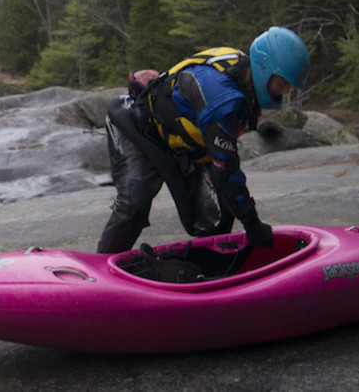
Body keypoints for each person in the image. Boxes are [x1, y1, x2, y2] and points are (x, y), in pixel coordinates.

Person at [96, 26, 310, 254]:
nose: (284, 91)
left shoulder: (242, 74)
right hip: (136, 125)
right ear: (265, 68)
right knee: (135, 202)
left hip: (180, 144)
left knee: (216, 218)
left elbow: (223, 164)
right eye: (282, 82)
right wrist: (253, 225)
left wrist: (245, 216)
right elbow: (227, 171)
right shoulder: (222, 98)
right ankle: (98, 273)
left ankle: (211, 270)